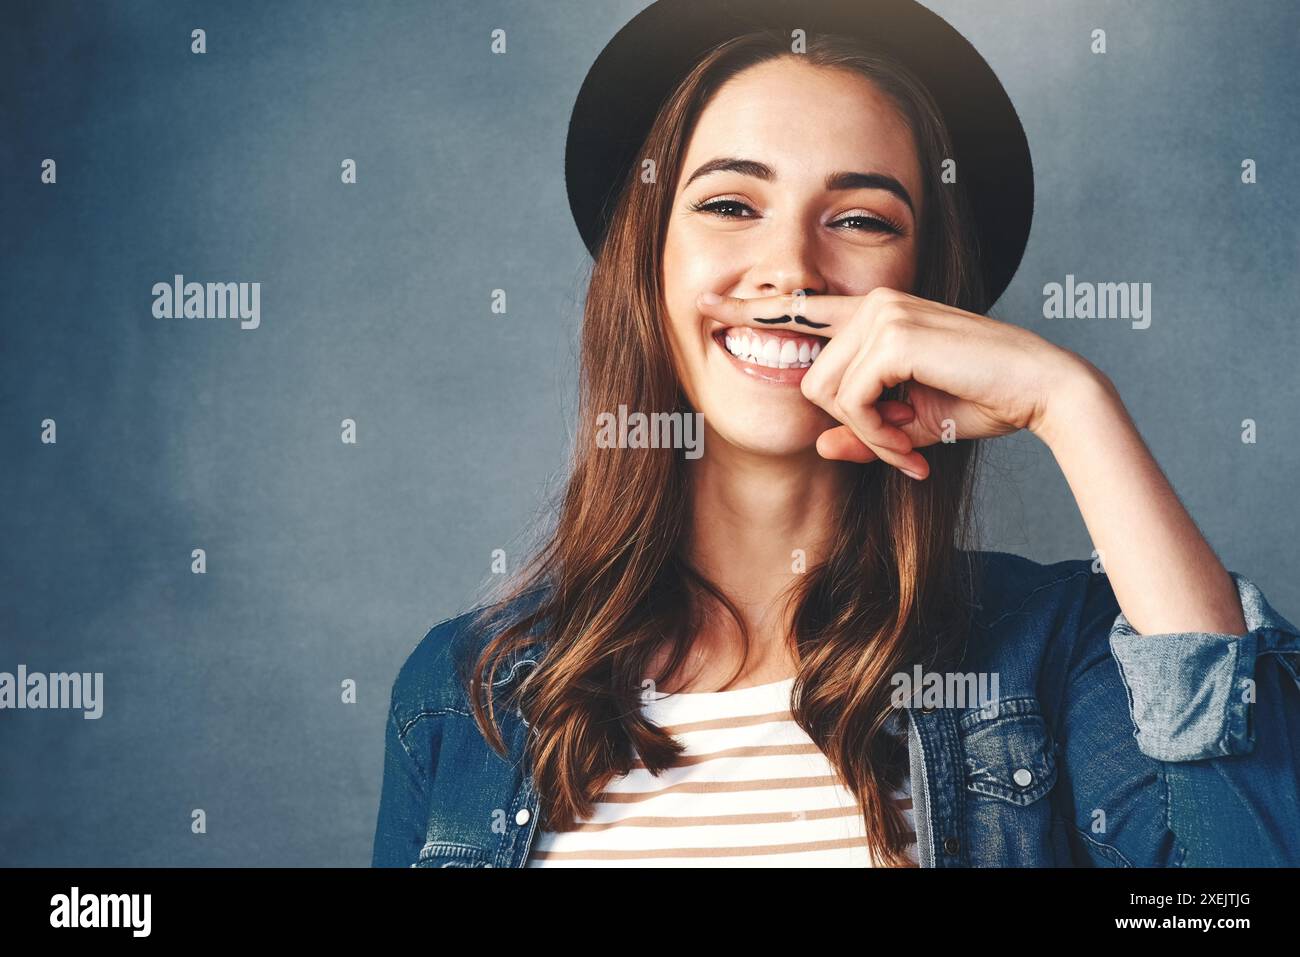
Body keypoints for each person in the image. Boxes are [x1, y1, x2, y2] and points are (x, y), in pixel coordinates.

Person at [373, 0, 1300, 868]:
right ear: (648, 265)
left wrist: (1072, 404)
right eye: (732, 204)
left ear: (926, 292)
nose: (788, 267)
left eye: (859, 219)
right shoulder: (465, 691)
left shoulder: (1060, 650)